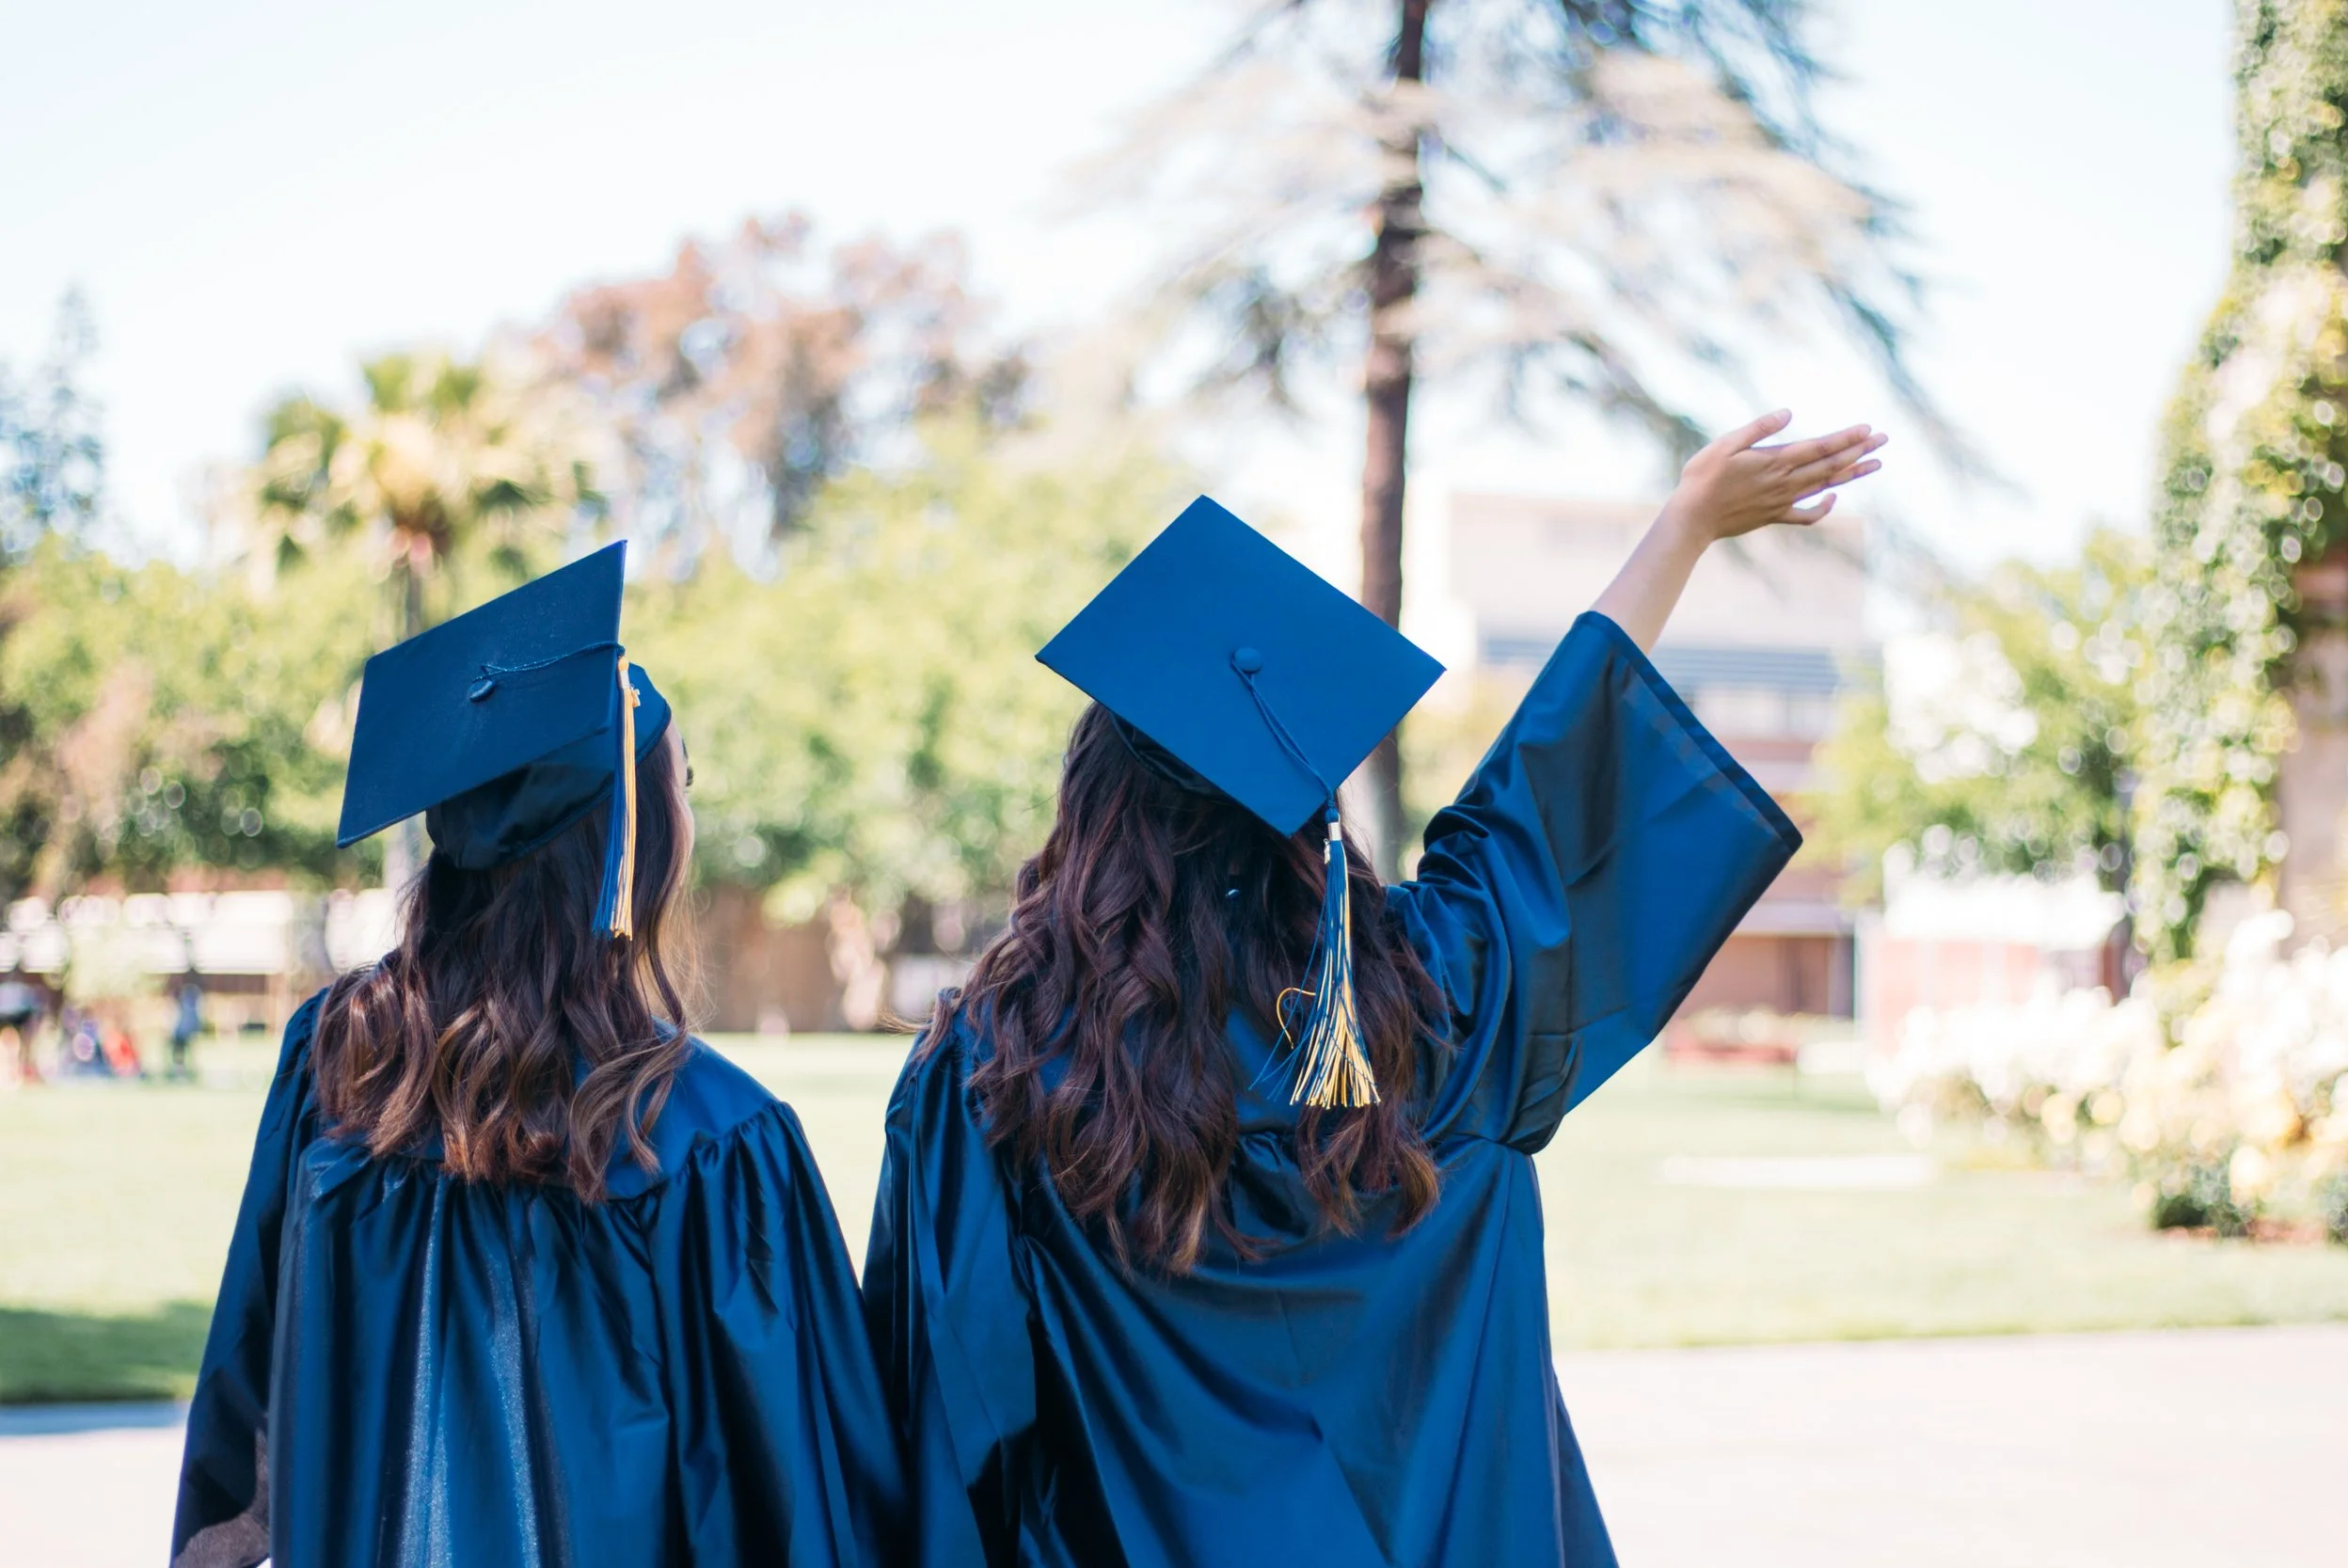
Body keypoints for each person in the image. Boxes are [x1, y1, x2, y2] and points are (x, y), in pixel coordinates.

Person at [864, 412, 1883, 1568]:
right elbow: (1539, 795)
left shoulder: (993, 1072)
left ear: (1090, 807)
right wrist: (1683, 527)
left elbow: (949, 1421)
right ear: (1307, 816)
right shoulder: (1431, 1001)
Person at [173, 544, 905, 1568]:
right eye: (680, 783)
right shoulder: (715, 1141)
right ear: (632, 835)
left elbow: (248, 1400)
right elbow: (807, 1504)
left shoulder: (336, 1065)